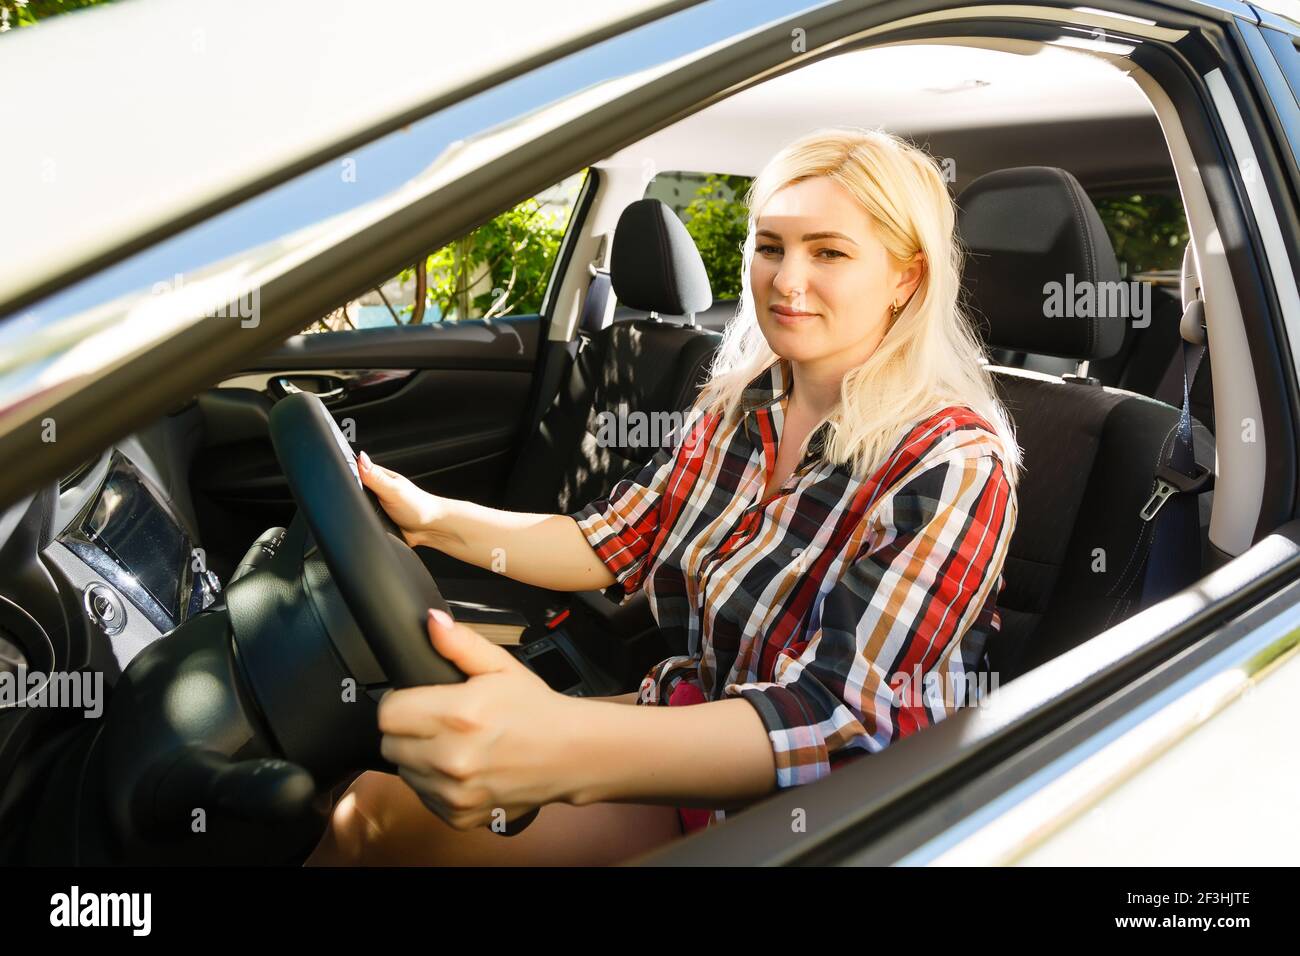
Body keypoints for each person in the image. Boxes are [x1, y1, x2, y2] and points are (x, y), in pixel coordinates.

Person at [304, 125, 1022, 866]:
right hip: (692, 723)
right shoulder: (738, 407)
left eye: (829, 251)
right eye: (770, 246)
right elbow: (615, 540)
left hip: (826, 817)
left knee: (379, 819)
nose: (786, 280)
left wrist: (563, 742)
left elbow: (837, 718)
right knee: (373, 796)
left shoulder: (952, 460)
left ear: (906, 276)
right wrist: (432, 519)